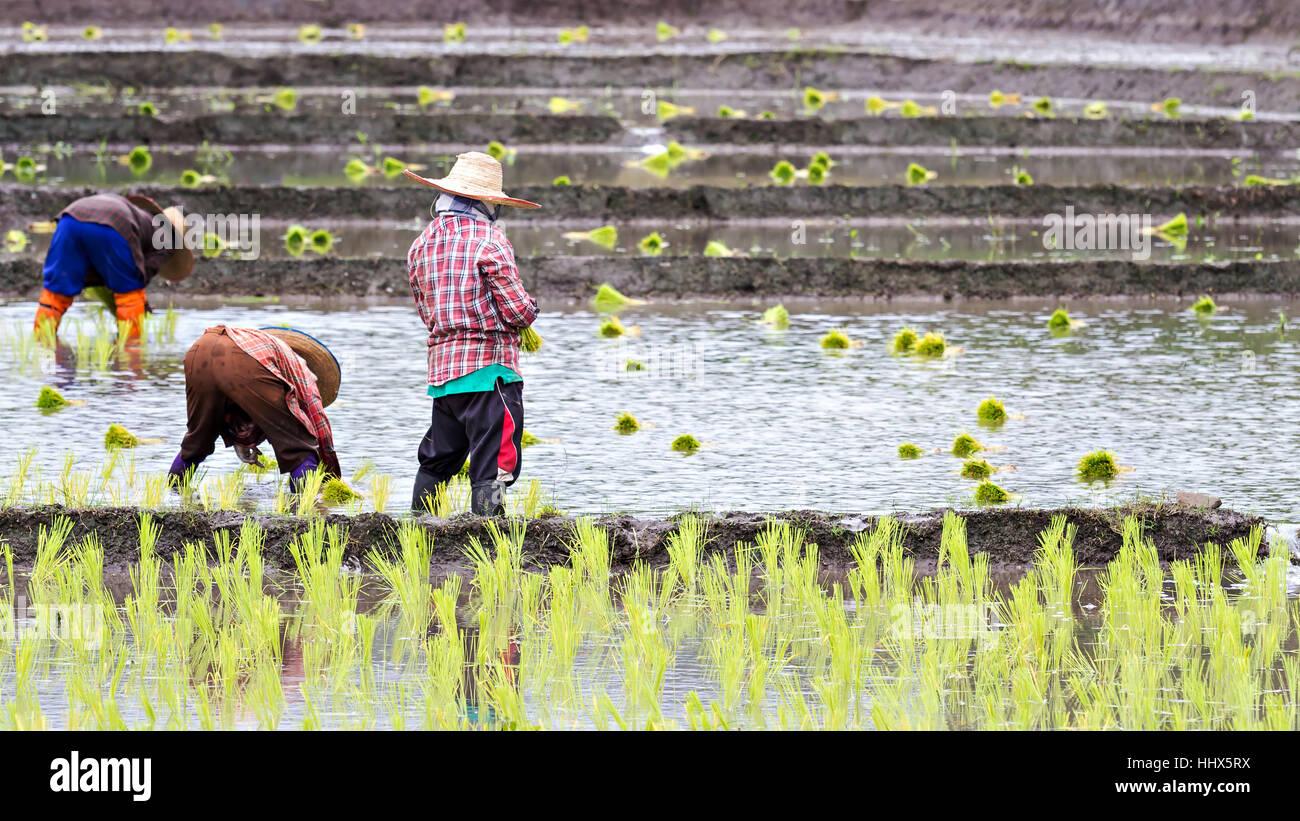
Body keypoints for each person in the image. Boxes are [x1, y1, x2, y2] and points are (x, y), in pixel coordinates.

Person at [402, 152, 540, 515]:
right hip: (489, 373)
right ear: (485, 204)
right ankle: (489, 534)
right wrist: (531, 309)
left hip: (444, 376)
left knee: (438, 460)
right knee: (494, 464)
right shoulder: (490, 240)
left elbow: (425, 312)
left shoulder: (421, 244)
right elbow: (517, 311)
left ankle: (419, 529)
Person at [168, 325, 342, 491]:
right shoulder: (298, 368)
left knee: (197, 439)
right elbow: (318, 422)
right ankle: (303, 511)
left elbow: (237, 404)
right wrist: (330, 475)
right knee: (299, 446)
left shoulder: (256, 345)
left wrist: (239, 443)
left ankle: (172, 498)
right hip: (242, 360)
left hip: (199, 350)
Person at [34, 193, 194, 335]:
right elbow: (139, 276)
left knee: (56, 294)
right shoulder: (166, 237)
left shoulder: (141, 217)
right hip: (114, 225)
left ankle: (41, 346)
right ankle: (130, 356)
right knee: (129, 296)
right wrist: (136, 300)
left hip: (69, 219)